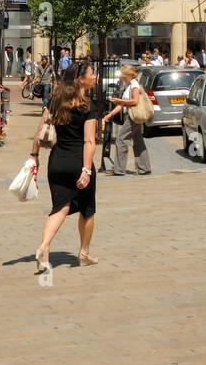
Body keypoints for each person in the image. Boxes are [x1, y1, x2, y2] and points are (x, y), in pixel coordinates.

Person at [31, 59, 99, 272]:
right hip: (78, 163)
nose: (94, 76)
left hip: (57, 163)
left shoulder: (54, 101)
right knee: (87, 209)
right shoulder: (88, 107)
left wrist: (34, 156)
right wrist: (86, 170)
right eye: (91, 73)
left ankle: (44, 247)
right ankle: (84, 252)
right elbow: (89, 142)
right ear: (81, 79)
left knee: (60, 208)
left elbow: (39, 131)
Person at [103, 63, 151, 175]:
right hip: (133, 116)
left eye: (124, 76)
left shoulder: (134, 85)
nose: (123, 78)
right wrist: (110, 115)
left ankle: (119, 169)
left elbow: (134, 101)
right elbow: (122, 105)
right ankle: (144, 168)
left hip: (133, 116)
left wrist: (119, 101)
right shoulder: (130, 85)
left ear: (130, 75)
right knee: (138, 141)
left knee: (121, 139)